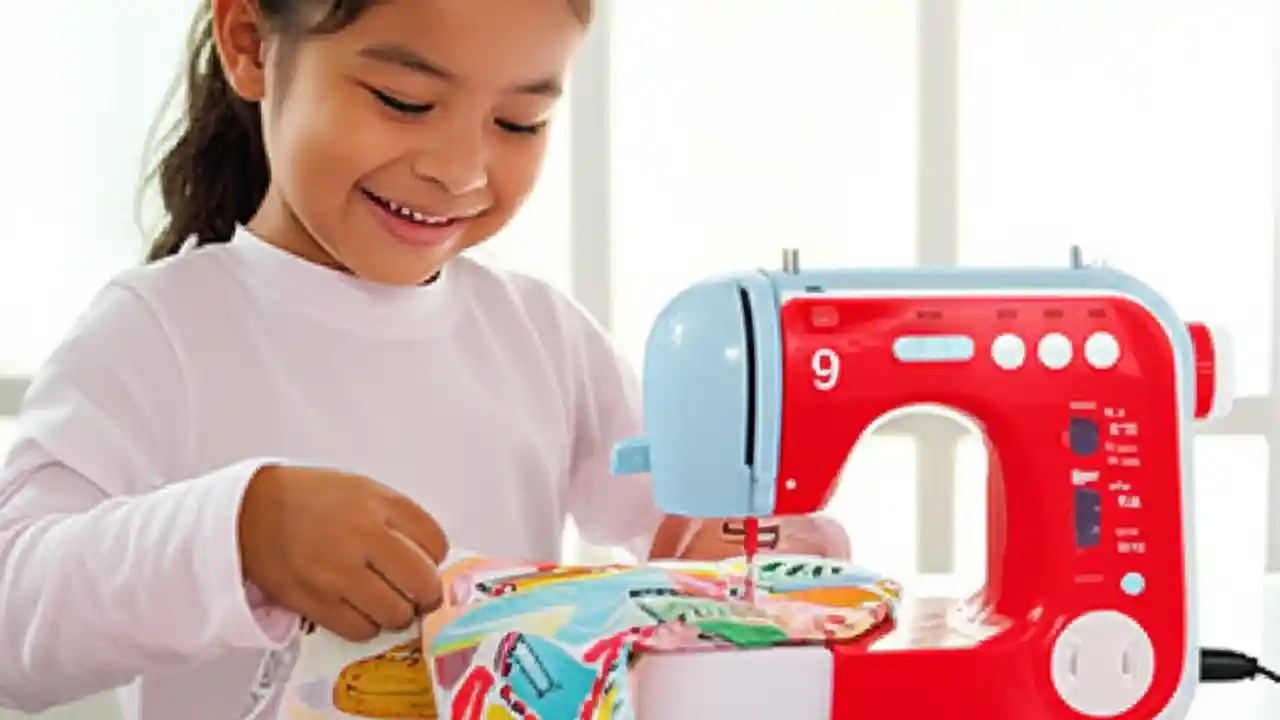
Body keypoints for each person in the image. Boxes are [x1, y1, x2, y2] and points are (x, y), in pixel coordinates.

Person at [0, 1, 849, 718]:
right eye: (404, 100)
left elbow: (698, 543)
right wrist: (240, 531)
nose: (460, 169)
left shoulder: (543, 336)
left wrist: (760, 551)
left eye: (519, 122)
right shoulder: (160, 332)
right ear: (251, 43)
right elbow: (15, 616)